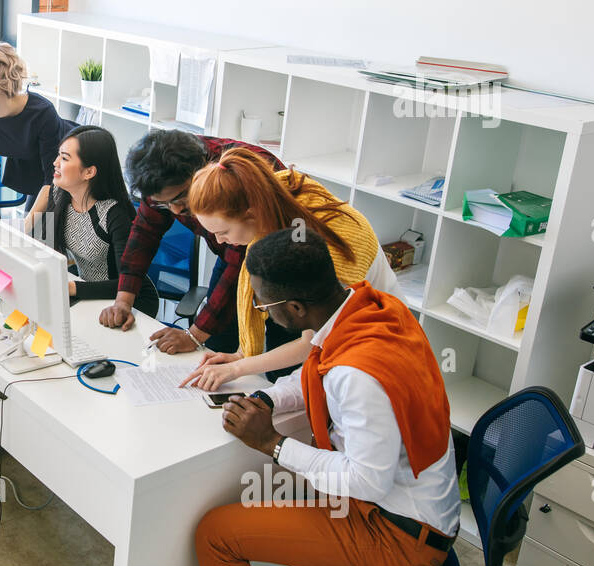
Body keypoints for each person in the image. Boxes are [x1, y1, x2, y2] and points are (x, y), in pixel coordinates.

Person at [194, 228, 459, 566]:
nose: (261, 311)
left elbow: (366, 481)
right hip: (410, 505)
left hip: (400, 536)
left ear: (294, 307)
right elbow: (315, 366)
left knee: (217, 534)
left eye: (263, 304)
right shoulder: (366, 306)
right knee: (260, 496)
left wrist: (272, 444)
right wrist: (266, 399)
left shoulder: (357, 375)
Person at [179, 148, 399, 391]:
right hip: (334, 335)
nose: (219, 242)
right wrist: (241, 356)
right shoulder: (268, 200)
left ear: (250, 215)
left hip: (376, 335)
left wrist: (238, 368)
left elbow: (313, 342)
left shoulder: (322, 245)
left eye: (223, 232)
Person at [98, 130, 283, 354]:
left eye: (179, 199)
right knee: (216, 344)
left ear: (200, 171)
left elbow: (239, 259)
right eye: (164, 205)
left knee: (282, 340)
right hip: (232, 252)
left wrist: (193, 336)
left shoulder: (237, 175)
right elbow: (144, 234)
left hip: (284, 259)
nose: (176, 210)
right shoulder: (158, 179)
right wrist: (123, 301)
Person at [33, 125, 159, 317]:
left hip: (129, 303)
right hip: (86, 294)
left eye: (65, 158)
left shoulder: (114, 214)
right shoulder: (59, 194)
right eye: (58, 155)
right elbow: (46, 248)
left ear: (89, 172)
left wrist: (72, 288)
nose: (55, 162)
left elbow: (127, 282)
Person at [0, 41, 72, 238]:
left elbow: (52, 179)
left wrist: (23, 229)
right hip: (36, 172)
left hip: (68, 169)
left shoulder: (42, 113)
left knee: (42, 239)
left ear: (4, 81)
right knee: (31, 239)